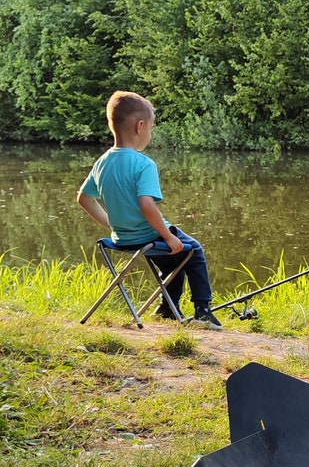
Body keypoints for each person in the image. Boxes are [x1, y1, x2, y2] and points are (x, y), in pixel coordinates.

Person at [77, 91, 222, 329]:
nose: (150, 134)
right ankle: (203, 311)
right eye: (151, 128)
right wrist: (167, 236)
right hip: (149, 237)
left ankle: (167, 308)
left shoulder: (102, 162)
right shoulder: (143, 164)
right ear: (140, 126)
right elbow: (147, 205)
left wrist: (113, 226)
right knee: (193, 251)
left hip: (122, 239)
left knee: (173, 262)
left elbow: (84, 199)